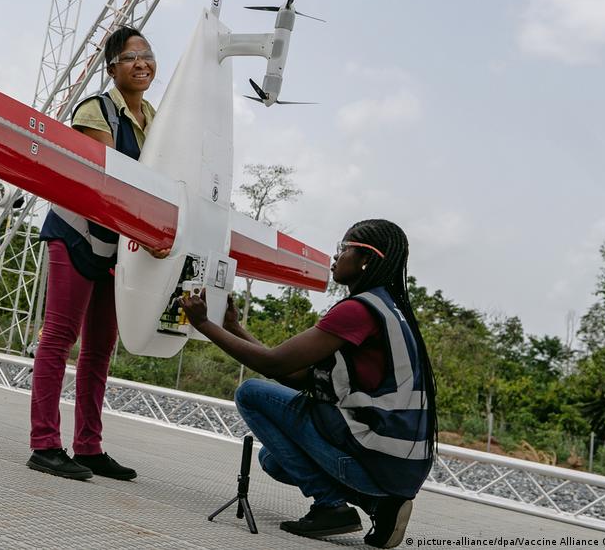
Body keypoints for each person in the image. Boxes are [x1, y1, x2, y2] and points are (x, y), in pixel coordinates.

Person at [179, 219, 436, 548]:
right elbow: (296, 375)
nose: (335, 257)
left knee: (250, 393)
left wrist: (202, 324)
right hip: (398, 467)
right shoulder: (391, 309)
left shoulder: (358, 310)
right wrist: (234, 328)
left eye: (343, 249)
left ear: (366, 260)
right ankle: (379, 506)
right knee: (272, 460)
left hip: (379, 459)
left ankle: (330, 506)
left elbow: (273, 364)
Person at [27, 25, 164, 481]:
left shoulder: (155, 120)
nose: (142, 63)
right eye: (131, 57)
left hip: (119, 246)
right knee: (60, 336)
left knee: (101, 347)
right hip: (78, 233)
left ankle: (88, 446)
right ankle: (45, 444)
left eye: (147, 55)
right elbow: (108, 177)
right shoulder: (97, 108)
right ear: (112, 68)